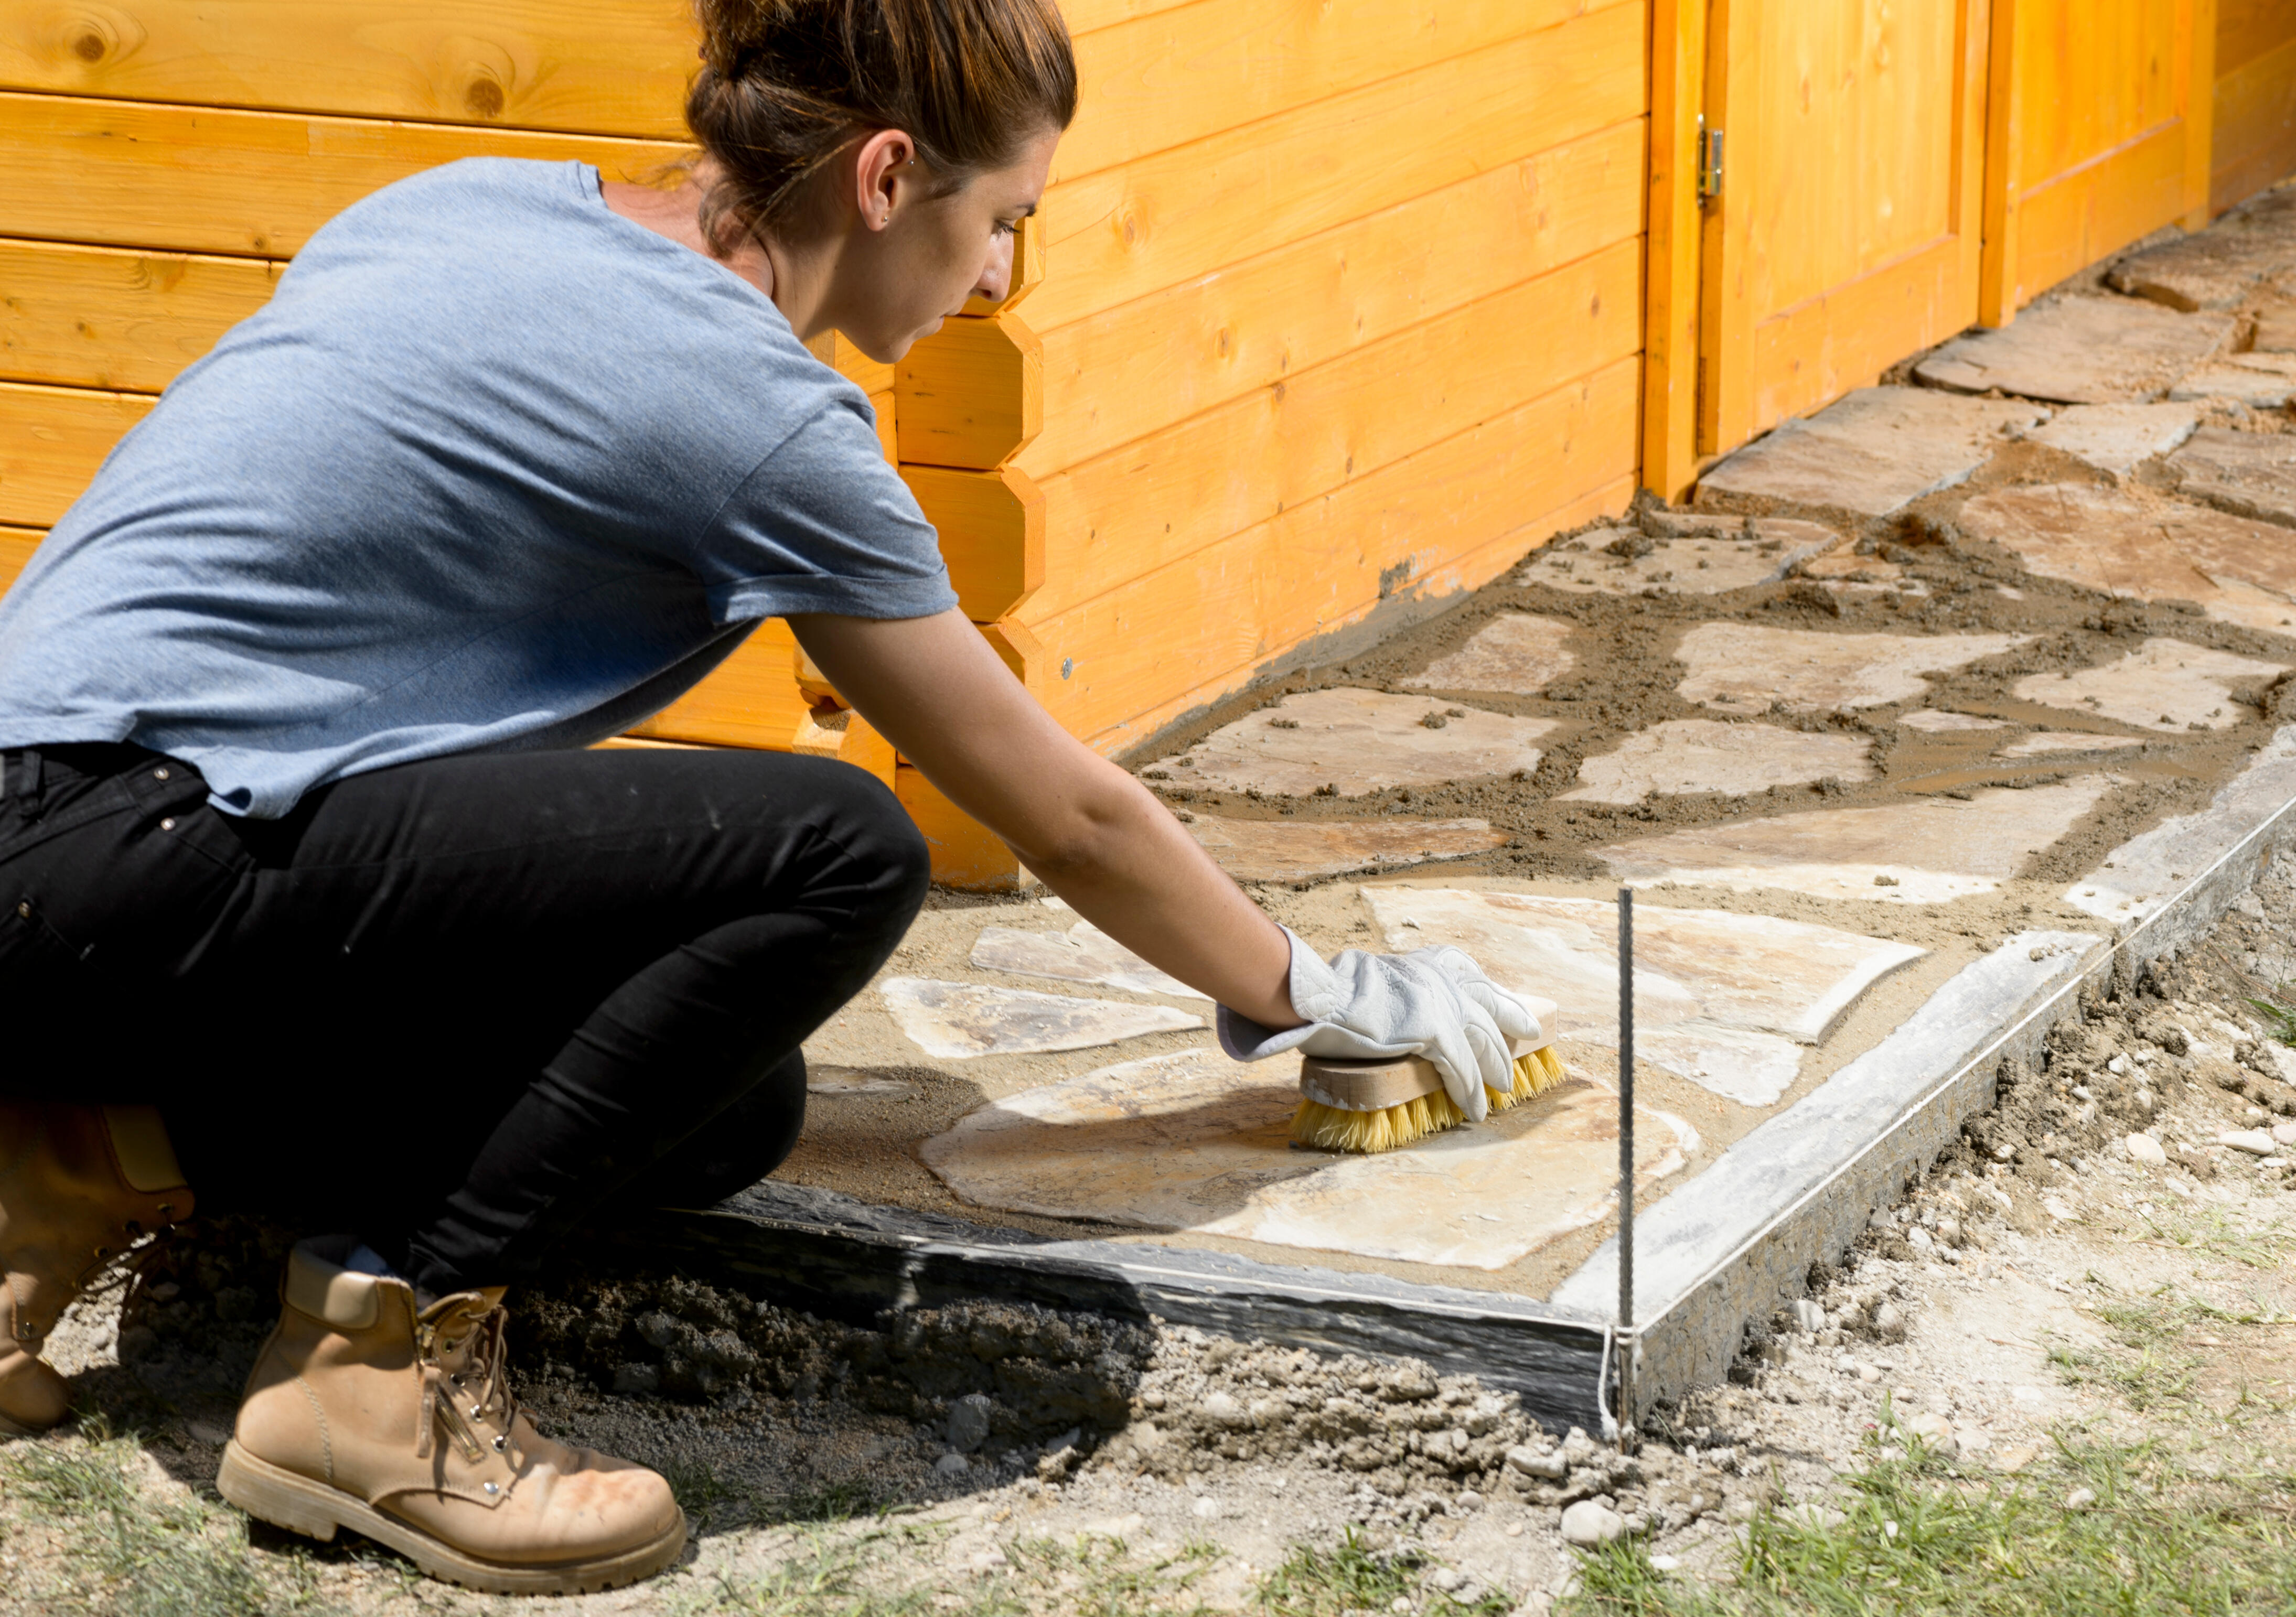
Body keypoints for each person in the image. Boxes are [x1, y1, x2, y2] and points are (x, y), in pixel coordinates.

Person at [0, 0, 1539, 1594]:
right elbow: (1062, 812)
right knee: (837, 850)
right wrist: (1309, 994)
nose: (1003, 273)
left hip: (59, 863)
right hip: (111, 860)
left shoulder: (465, 202)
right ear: (885, 177)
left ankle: (81, 1149)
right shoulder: (758, 418)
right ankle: (370, 1380)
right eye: (1003, 219)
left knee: (720, 1097)